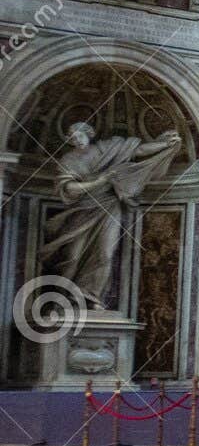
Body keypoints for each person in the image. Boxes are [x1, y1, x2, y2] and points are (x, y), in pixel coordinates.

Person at [38, 122, 182, 307]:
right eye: (73, 138)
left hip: (110, 206)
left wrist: (165, 145)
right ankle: (61, 298)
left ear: (89, 134)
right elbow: (69, 188)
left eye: (80, 135)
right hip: (82, 209)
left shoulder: (108, 148)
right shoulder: (68, 160)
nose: (77, 140)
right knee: (72, 256)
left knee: (106, 252)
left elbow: (137, 150)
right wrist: (99, 182)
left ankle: (90, 296)